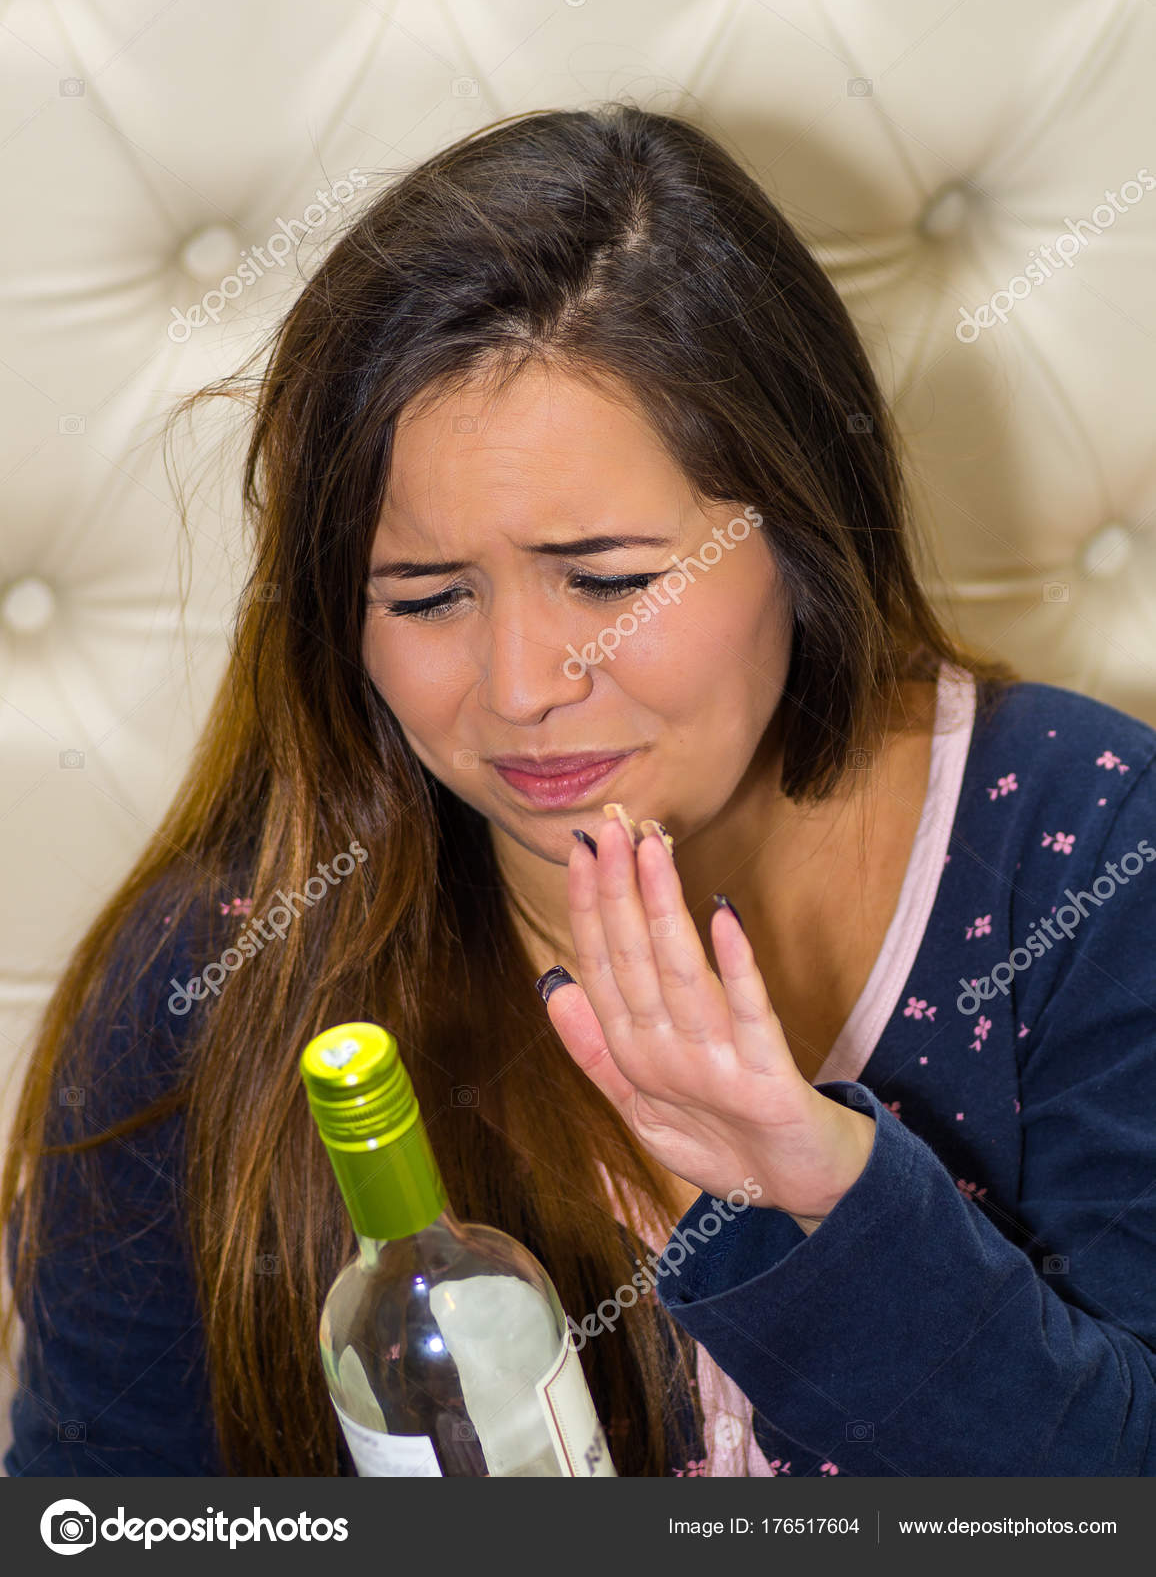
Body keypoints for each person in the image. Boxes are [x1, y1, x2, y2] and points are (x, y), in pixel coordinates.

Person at [3, 105, 1154, 1480]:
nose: (523, 686)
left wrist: (828, 1198)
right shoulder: (220, 977)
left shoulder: (1082, 837)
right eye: (427, 598)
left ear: (798, 526)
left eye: (608, 582)